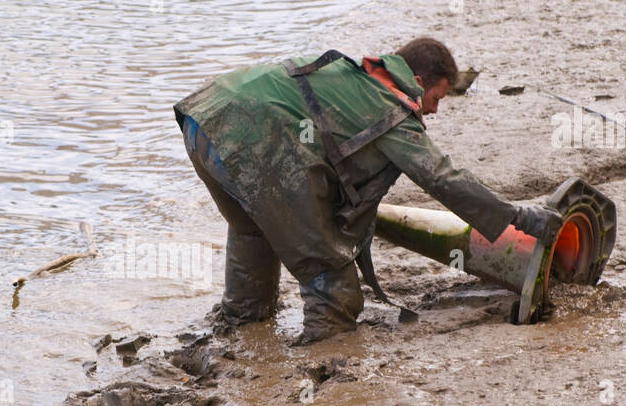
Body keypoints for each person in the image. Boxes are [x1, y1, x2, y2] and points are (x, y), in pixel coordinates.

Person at [174, 37, 563, 343]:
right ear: (419, 81)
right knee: (333, 285)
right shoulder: (391, 109)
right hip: (255, 139)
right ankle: (324, 367)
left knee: (253, 230)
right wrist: (517, 216)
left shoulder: (356, 76)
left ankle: (243, 328)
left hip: (206, 120)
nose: (434, 111)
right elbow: (443, 178)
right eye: (437, 98)